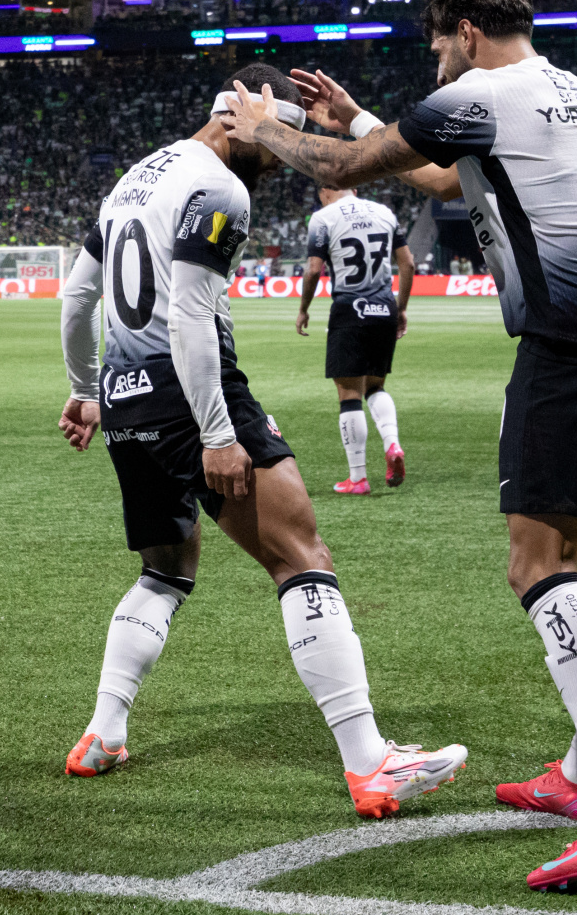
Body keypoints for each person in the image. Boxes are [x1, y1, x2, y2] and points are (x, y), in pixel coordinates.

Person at [222, 0, 577, 893]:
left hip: (572, 349)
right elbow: (451, 181)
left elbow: (349, 172)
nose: (436, 62)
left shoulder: (475, 91)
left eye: (437, 45)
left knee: (537, 565)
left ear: (466, 32)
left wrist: (262, 125)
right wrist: (355, 114)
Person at [56, 63, 467, 815]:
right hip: (192, 400)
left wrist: (87, 390)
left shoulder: (136, 179)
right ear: (238, 117)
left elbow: (77, 294)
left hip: (125, 400)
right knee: (301, 556)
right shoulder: (220, 186)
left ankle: (104, 733)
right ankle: (370, 763)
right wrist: (218, 432)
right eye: (274, 139)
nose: (281, 156)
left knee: (166, 571)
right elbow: (185, 314)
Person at [299, 184, 412, 494]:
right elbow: (408, 264)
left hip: (350, 309)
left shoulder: (323, 218)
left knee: (349, 395)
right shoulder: (384, 212)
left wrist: (303, 310)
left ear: (324, 190)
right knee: (375, 385)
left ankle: (358, 478)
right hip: (384, 306)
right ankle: (392, 445)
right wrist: (400, 309)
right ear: (355, 186)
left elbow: (313, 271)